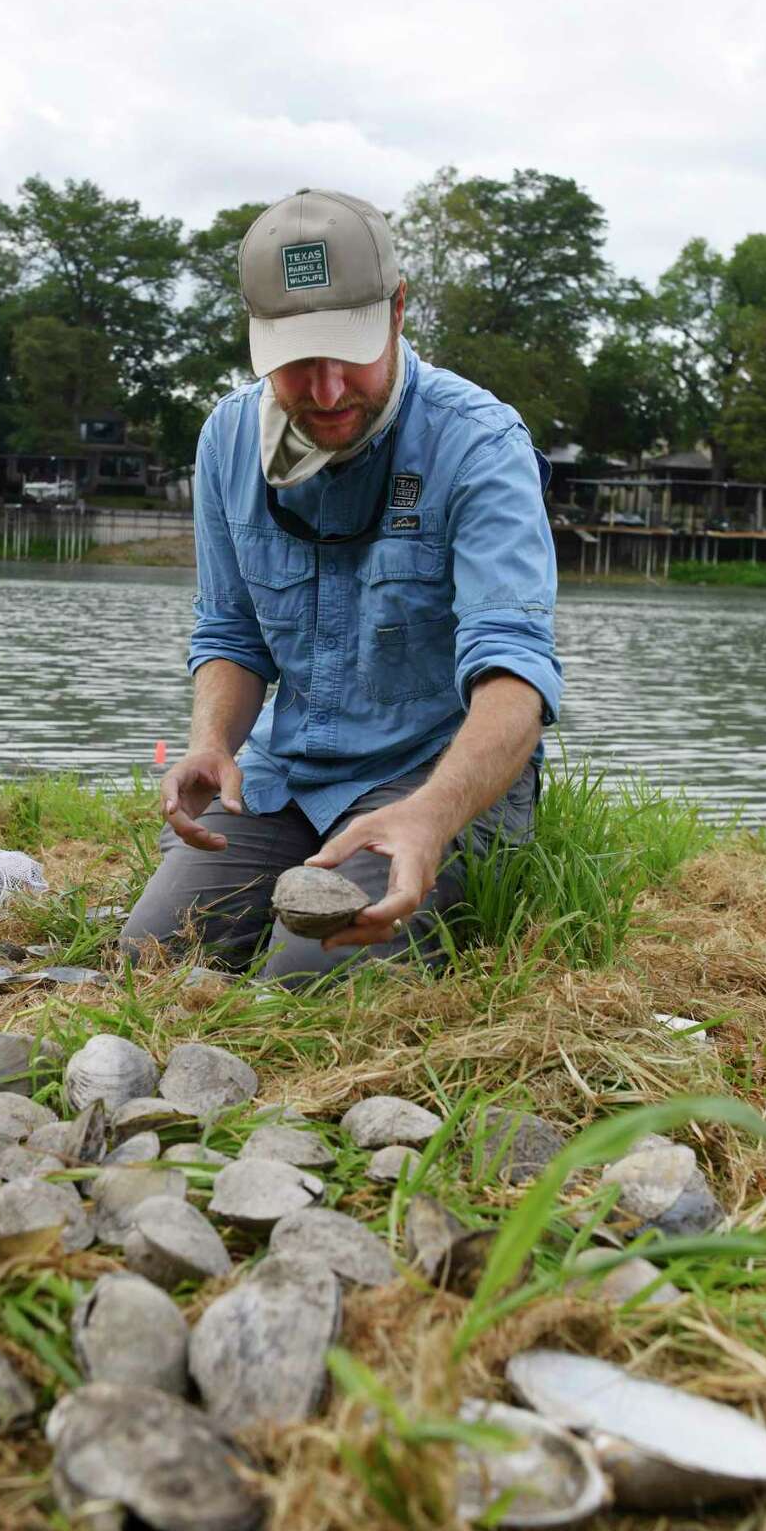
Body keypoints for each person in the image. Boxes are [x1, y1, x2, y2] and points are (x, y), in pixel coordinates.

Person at [121, 188, 562, 985]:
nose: (325, 392)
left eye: (344, 352)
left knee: (305, 981)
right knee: (153, 957)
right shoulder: (226, 440)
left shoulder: (481, 444)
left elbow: (515, 675)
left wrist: (431, 816)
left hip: (436, 774)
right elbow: (231, 633)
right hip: (291, 774)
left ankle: (443, 863)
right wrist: (212, 744)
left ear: (397, 310)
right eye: (295, 361)